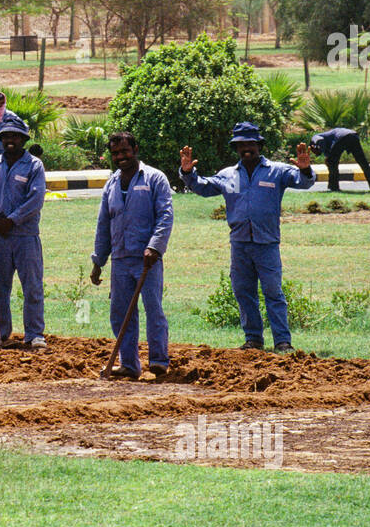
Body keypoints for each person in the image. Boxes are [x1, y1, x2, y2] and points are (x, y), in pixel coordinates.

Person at [180, 122, 315, 352]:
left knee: (273, 293)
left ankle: (283, 342)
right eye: (241, 145)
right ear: (236, 148)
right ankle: (253, 339)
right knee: (244, 292)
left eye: (250, 144)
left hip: (267, 243)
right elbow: (202, 187)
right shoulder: (228, 175)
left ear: (259, 145)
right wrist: (187, 172)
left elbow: (304, 182)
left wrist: (304, 169)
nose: (246, 149)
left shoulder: (277, 171)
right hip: (240, 244)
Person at [90, 132, 174, 378]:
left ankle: (159, 361)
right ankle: (129, 364)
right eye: (115, 153)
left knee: (153, 309)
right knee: (121, 313)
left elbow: (165, 216)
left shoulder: (155, 178)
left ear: (136, 149)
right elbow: (103, 224)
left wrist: (155, 247)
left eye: (125, 151)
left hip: (147, 259)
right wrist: (98, 262)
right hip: (120, 259)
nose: (121, 157)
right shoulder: (111, 184)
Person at [0, 119, 48, 348]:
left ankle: (34, 334)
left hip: (25, 235)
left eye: (15, 136)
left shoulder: (34, 165)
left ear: (23, 139)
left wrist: (13, 220)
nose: (10, 140)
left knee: (32, 286)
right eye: (5, 136)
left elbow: (36, 199)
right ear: (1, 140)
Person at [310, 127, 370, 192]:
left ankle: (333, 187)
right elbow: (328, 149)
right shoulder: (327, 138)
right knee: (363, 162)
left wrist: (327, 157)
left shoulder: (315, 137)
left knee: (332, 163)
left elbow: (320, 141)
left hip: (342, 137)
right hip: (353, 135)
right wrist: (328, 157)